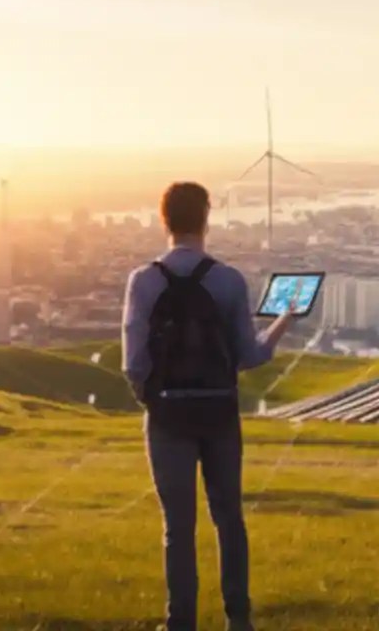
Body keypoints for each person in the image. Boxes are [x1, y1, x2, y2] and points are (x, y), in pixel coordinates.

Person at [122, 182, 296, 631]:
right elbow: (251, 356)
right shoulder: (228, 280)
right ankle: (239, 620)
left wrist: (153, 401)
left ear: (164, 219)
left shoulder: (143, 281)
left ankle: (180, 622)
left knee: (178, 526)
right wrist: (283, 321)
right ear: (206, 218)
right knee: (228, 520)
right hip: (219, 413)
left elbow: (133, 363)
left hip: (167, 418)